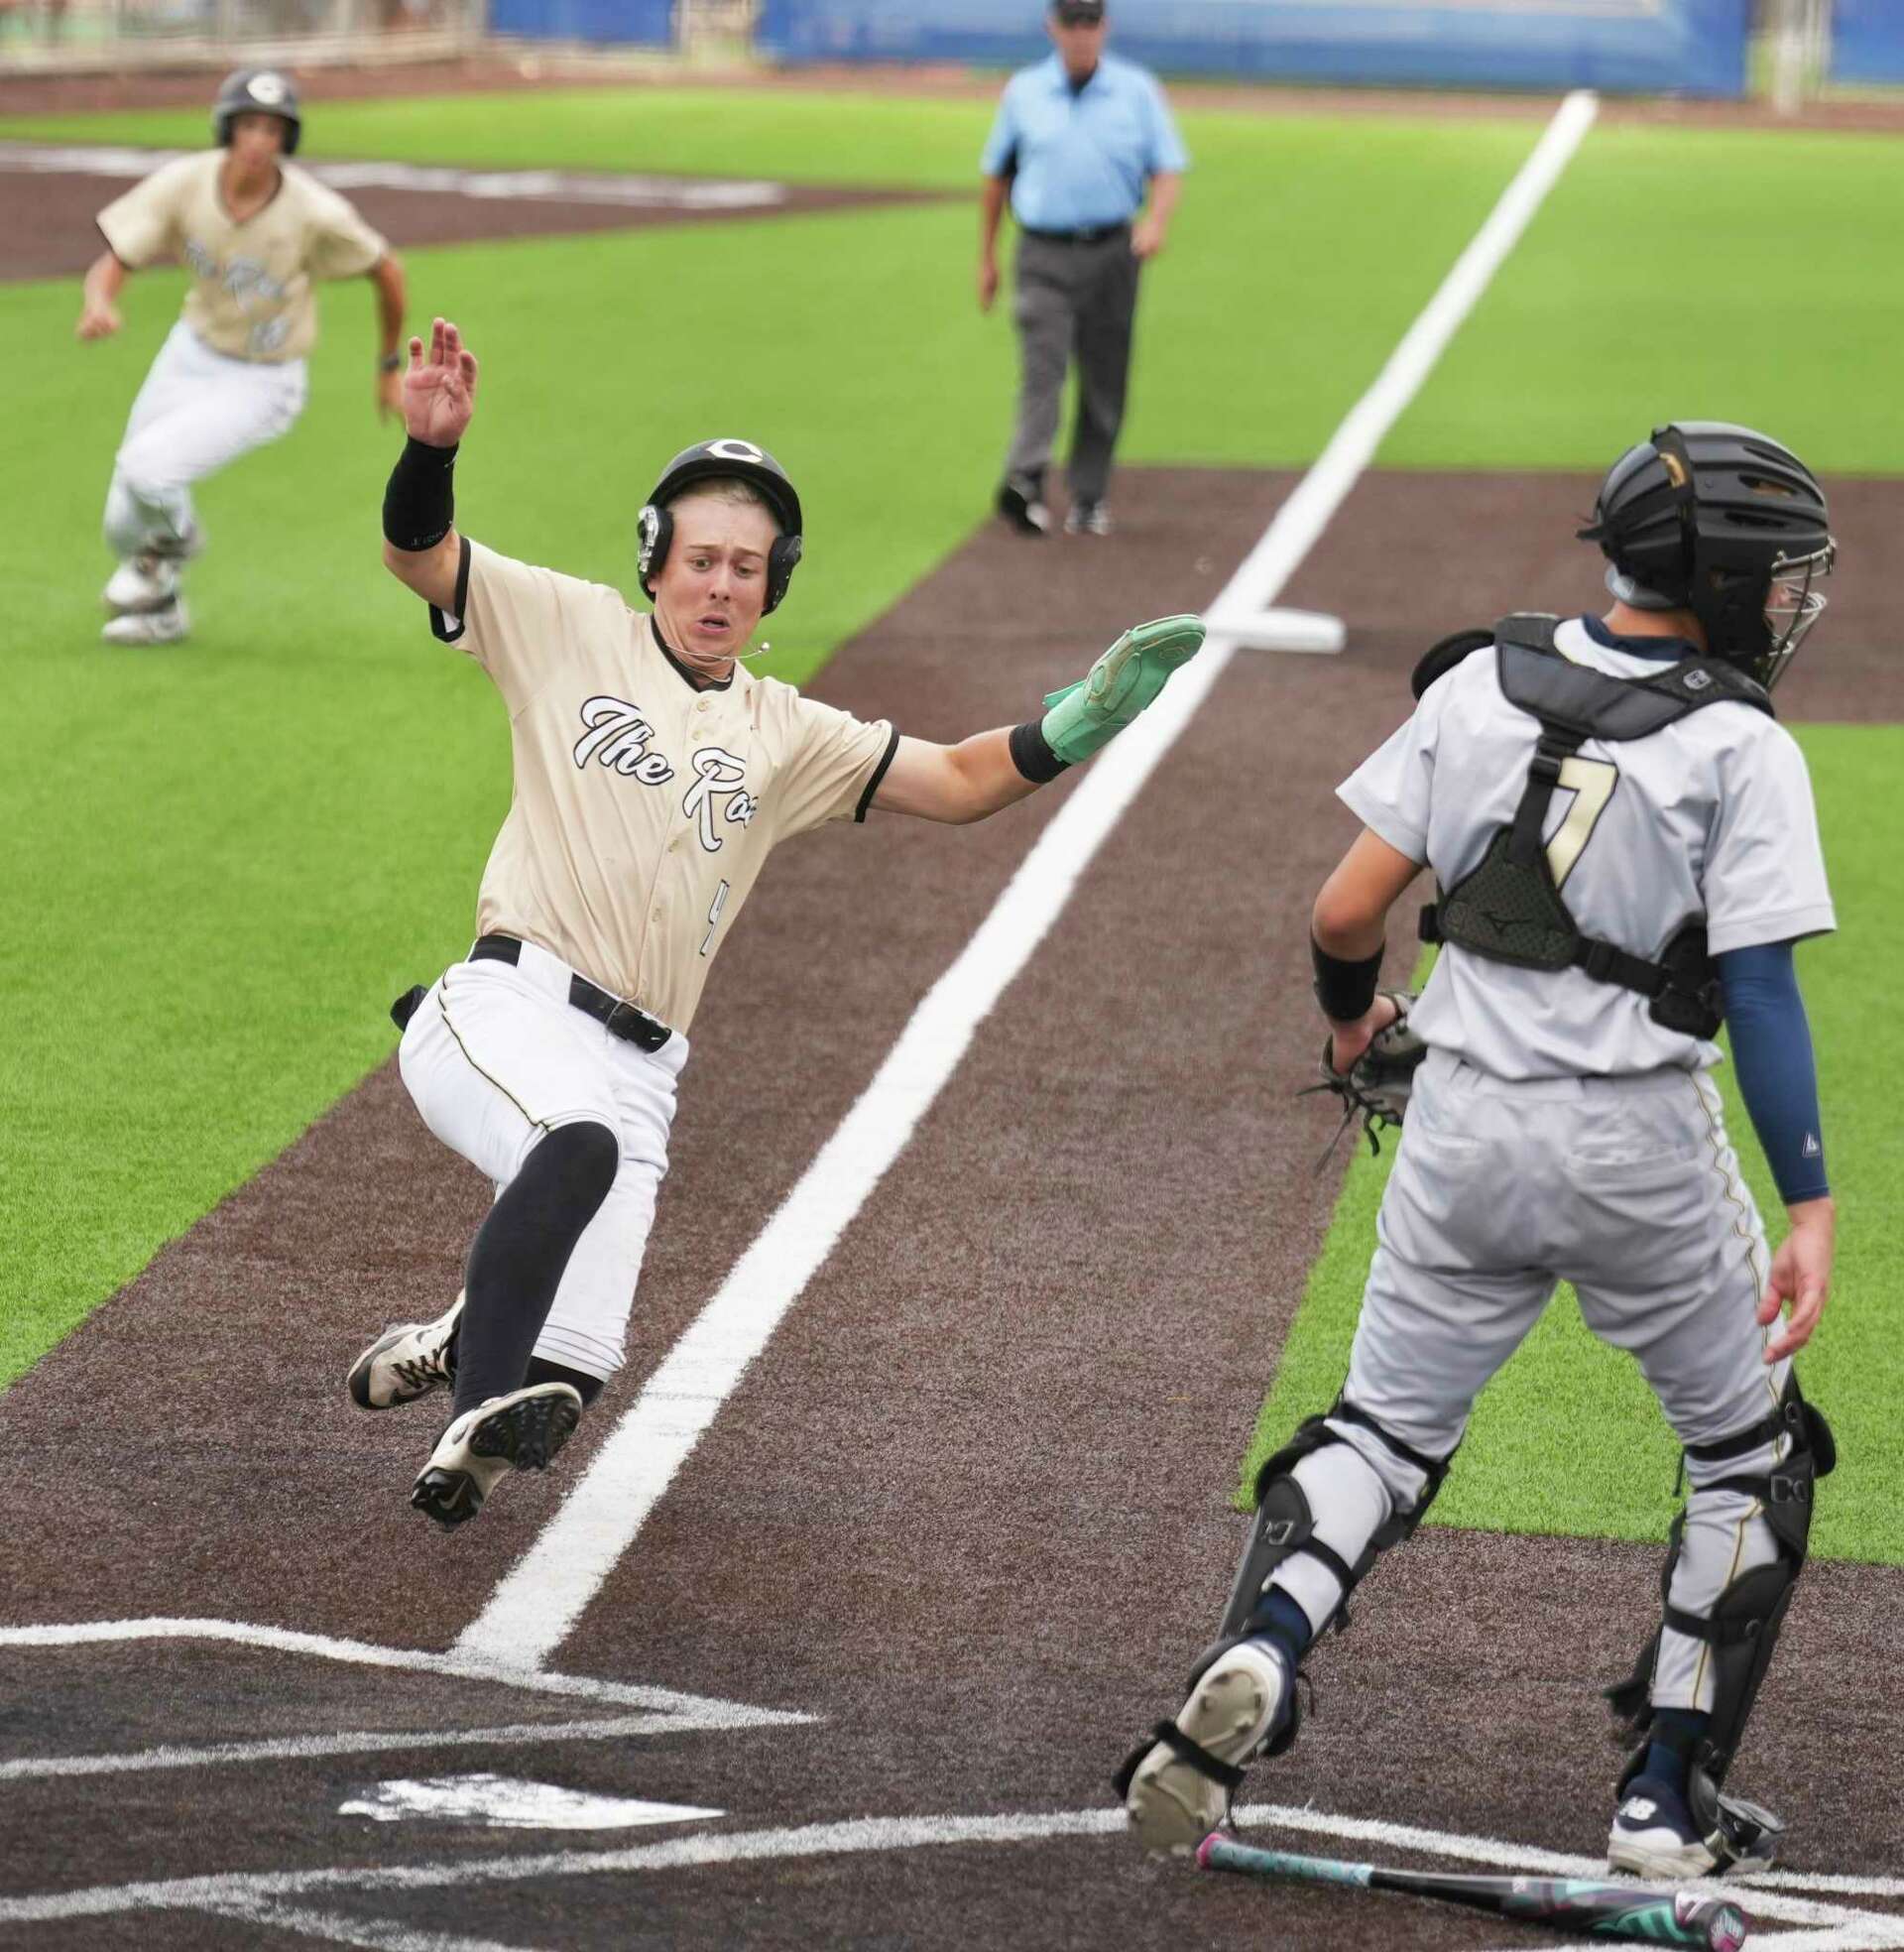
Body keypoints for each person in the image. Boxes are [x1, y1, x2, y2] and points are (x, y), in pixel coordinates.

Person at [1119, 423, 1840, 1882]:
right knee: (1749, 1455)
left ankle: (1261, 1648)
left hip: (1460, 1130)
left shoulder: (1470, 685)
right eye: (1779, 578)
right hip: (1639, 1153)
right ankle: (1663, 1800)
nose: (1787, 604)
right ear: (1720, 577)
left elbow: (1342, 914)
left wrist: (1347, 1026)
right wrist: (1811, 1199)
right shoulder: (1738, 744)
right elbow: (1758, 991)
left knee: (1380, 1436)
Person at [344, 316, 1207, 1529]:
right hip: (505, 1003)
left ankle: (468, 1355)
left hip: (644, 1069)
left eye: (746, 567)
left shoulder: (786, 730)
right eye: (699, 558)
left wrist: (1073, 728)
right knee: (573, 1148)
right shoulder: (566, 626)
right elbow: (419, 555)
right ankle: (473, 1404)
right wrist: (430, 451)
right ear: (656, 561)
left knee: (581, 1364)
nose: (719, 585)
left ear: (773, 586)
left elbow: (958, 782)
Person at [76, 68, 408, 647]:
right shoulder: (185, 184)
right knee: (122, 520)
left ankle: (178, 542)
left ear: (287, 140)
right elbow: (117, 256)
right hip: (190, 351)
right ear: (228, 128)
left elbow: (388, 271)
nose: (260, 140)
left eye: (274, 130)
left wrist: (387, 368)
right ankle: (165, 609)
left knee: (147, 470)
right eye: (249, 125)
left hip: (265, 379)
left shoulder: (313, 212)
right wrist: (99, 303)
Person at [979, 0, 1187, 540]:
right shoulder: (1024, 91)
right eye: (1070, 21)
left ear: (1104, 27)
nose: (1080, 32)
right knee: (1042, 367)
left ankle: (1088, 495)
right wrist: (987, 257)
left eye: (1089, 21)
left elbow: (1167, 167)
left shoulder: (1136, 90)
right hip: (1041, 250)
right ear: (1053, 27)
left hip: (1112, 250)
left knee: (1103, 374)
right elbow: (996, 177)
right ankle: (1025, 479)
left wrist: (1157, 222)